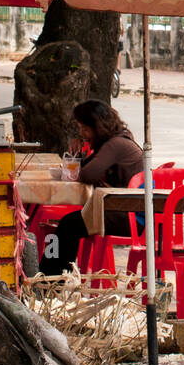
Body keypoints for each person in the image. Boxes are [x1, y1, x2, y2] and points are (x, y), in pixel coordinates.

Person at [37, 100, 144, 276]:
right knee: (69, 224)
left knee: (68, 225)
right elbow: (86, 168)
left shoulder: (116, 144)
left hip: (131, 216)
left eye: (85, 129)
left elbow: (87, 174)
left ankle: (52, 278)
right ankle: (54, 275)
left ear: (98, 127)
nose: (82, 133)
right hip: (124, 209)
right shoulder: (114, 141)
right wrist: (78, 152)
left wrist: (77, 160)